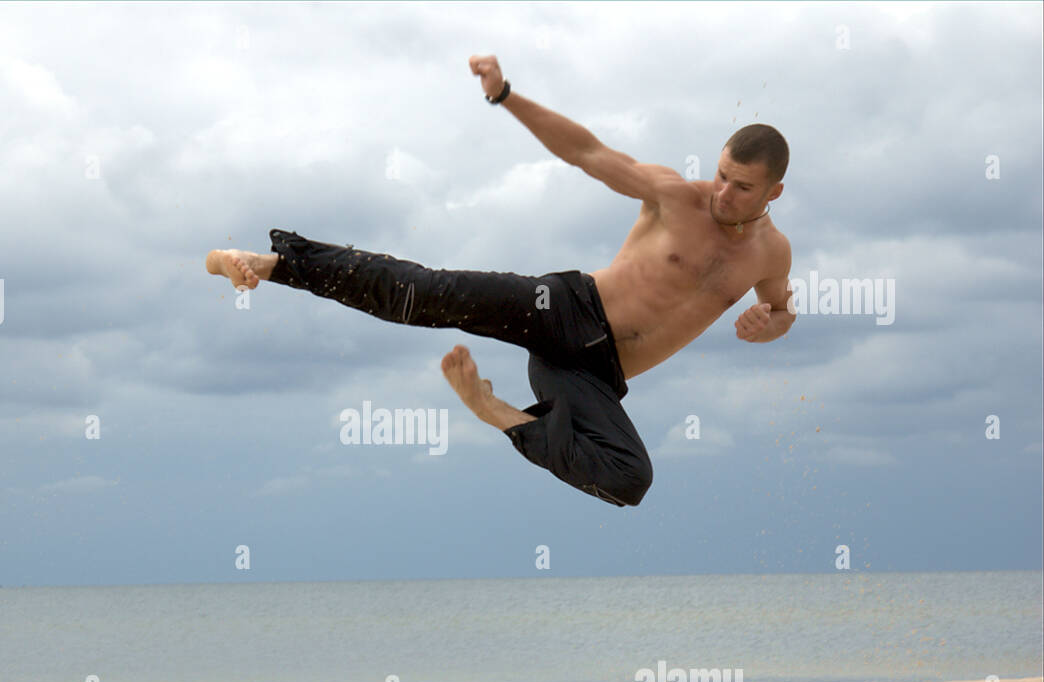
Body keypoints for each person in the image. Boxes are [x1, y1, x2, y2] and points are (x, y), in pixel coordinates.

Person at [206, 54, 795, 506]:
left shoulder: (772, 255)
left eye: (741, 187)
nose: (722, 192)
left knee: (629, 480)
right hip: (564, 308)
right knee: (427, 295)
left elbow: (781, 314)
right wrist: (506, 95)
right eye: (720, 174)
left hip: (589, 374)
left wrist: (764, 325)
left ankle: (498, 413)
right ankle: (278, 265)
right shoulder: (673, 195)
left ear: (774, 193)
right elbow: (586, 152)